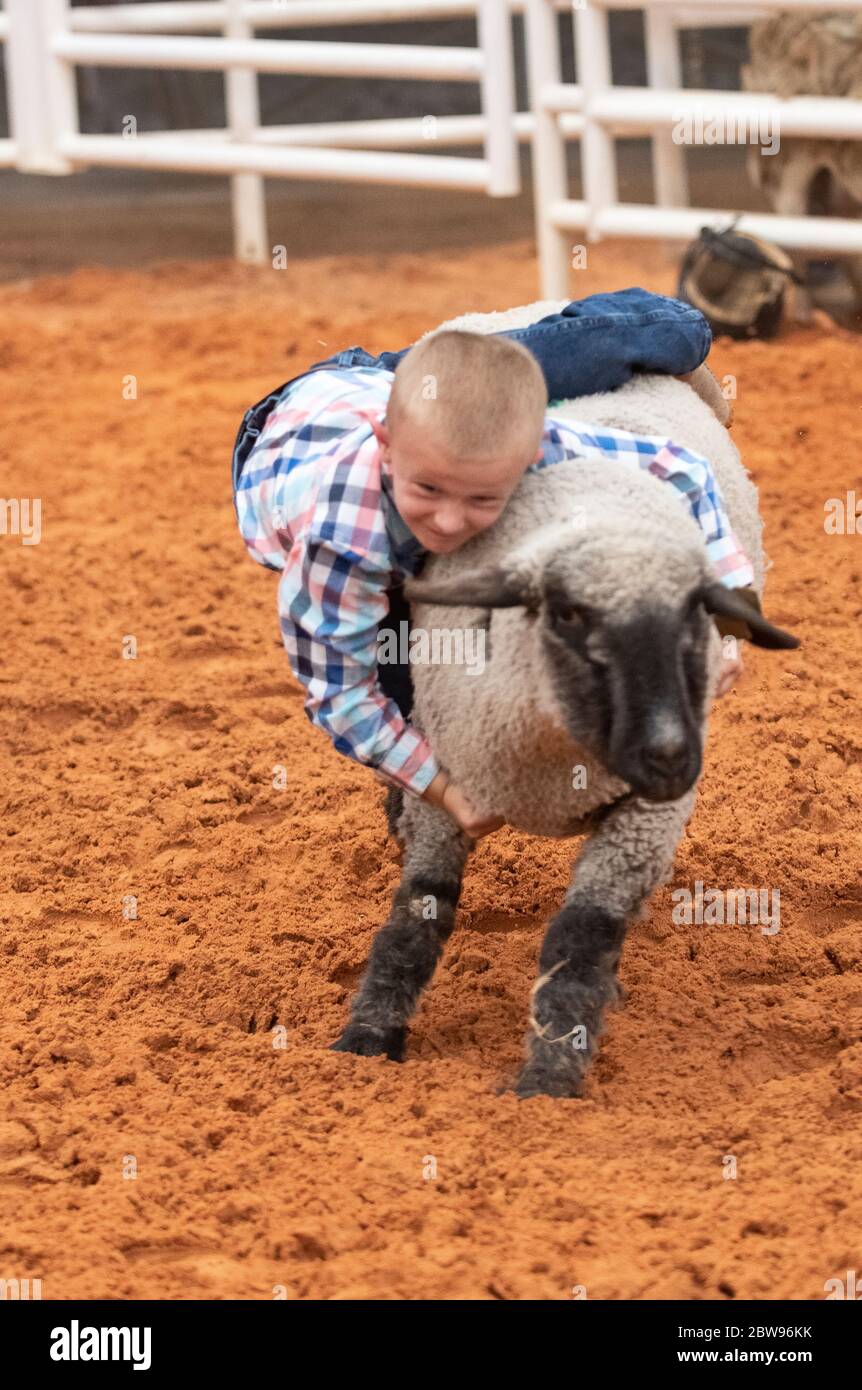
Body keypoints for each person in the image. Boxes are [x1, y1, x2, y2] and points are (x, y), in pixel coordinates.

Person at [232, 289, 752, 840]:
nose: (451, 522)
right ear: (387, 446)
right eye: (429, 490)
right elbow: (341, 693)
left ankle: (675, 324)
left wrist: (728, 619)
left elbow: (683, 469)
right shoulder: (340, 540)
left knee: (590, 354)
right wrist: (442, 787)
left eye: (483, 498)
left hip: (401, 393)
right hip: (305, 421)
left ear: (532, 455)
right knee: (413, 696)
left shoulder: (533, 441)